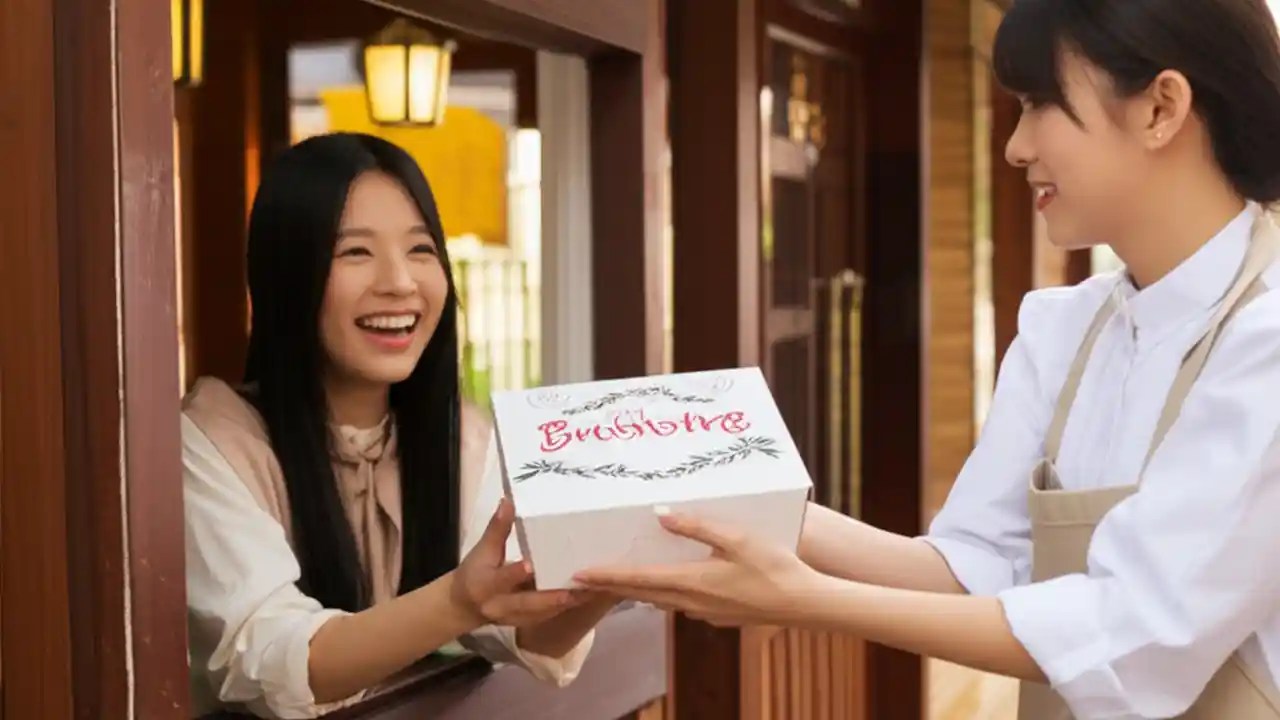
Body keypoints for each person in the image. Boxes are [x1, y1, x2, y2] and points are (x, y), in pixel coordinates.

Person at [576, 1, 1280, 717]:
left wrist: (810, 599)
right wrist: (741, 508)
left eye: (1040, 104)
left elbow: (1135, 630)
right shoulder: (1064, 328)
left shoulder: (1270, 337)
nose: (1015, 145)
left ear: (1161, 108)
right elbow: (977, 566)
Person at [182, 132, 613, 719]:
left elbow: (529, 634)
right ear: (286, 276)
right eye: (355, 252)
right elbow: (276, 662)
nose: (401, 283)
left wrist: (613, 572)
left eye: (420, 250)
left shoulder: (462, 438)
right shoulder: (213, 440)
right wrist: (461, 600)